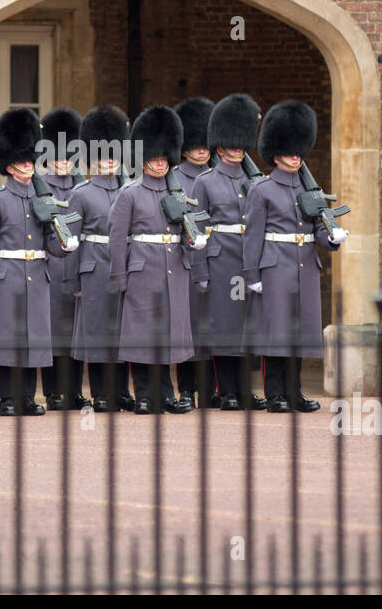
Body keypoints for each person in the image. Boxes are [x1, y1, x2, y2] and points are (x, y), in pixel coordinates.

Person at [242, 100, 346, 413]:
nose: (295, 157)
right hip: (275, 267)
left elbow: (315, 230)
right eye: (290, 152)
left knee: (299, 332)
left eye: (298, 152)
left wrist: (330, 238)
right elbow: (253, 236)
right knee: (277, 334)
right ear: (276, 155)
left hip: (305, 265)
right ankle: (275, 394)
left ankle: (294, 392)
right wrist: (252, 276)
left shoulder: (309, 188)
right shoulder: (262, 190)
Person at [0, 108, 76, 416]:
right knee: (10, 340)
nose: (27, 166)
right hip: (8, 275)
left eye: (30, 161)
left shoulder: (42, 198)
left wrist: (64, 245)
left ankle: (28, 398)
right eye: (22, 162)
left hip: (37, 272)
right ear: (9, 165)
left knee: (34, 338)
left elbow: (49, 242)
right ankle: (8, 398)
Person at [109, 105, 204, 415]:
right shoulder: (130, 194)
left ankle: (166, 395)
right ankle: (145, 396)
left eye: (165, 158)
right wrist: (120, 277)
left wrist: (193, 243)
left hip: (173, 269)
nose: (161, 163)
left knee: (166, 336)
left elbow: (186, 231)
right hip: (142, 270)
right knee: (142, 337)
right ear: (145, 159)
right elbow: (117, 238)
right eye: (156, 158)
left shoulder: (179, 192)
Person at [191, 93, 266, 410]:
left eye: (241, 145)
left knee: (248, 328)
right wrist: (201, 271)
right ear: (219, 147)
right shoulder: (205, 182)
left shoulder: (255, 180)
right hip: (220, 259)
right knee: (223, 328)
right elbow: (197, 229)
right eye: (231, 145)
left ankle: (245, 390)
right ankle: (227, 391)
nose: (237, 151)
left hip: (249, 259)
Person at [66, 104, 134, 411]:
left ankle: (121, 391)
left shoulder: (129, 190)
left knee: (122, 330)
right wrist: (74, 278)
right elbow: (70, 241)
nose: (108, 161)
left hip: (125, 265)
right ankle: (100, 393)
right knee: (96, 334)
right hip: (93, 267)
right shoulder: (80, 194)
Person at [39, 106, 88, 410]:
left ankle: (73, 390)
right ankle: (53, 391)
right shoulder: (40, 187)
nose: (63, 164)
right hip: (51, 266)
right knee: (52, 331)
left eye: (67, 158)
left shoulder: (83, 186)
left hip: (78, 265)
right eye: (58, 158)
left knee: (76, 332)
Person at [173, 97, 215, 409]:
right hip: (186, 259)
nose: (201, 150)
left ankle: (211, 389)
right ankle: (187, 389)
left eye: (205, 144)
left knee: (212, 328)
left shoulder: (219, 175)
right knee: (187, 329)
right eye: (195, 144)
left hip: (215, 259)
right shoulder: (175, 178)